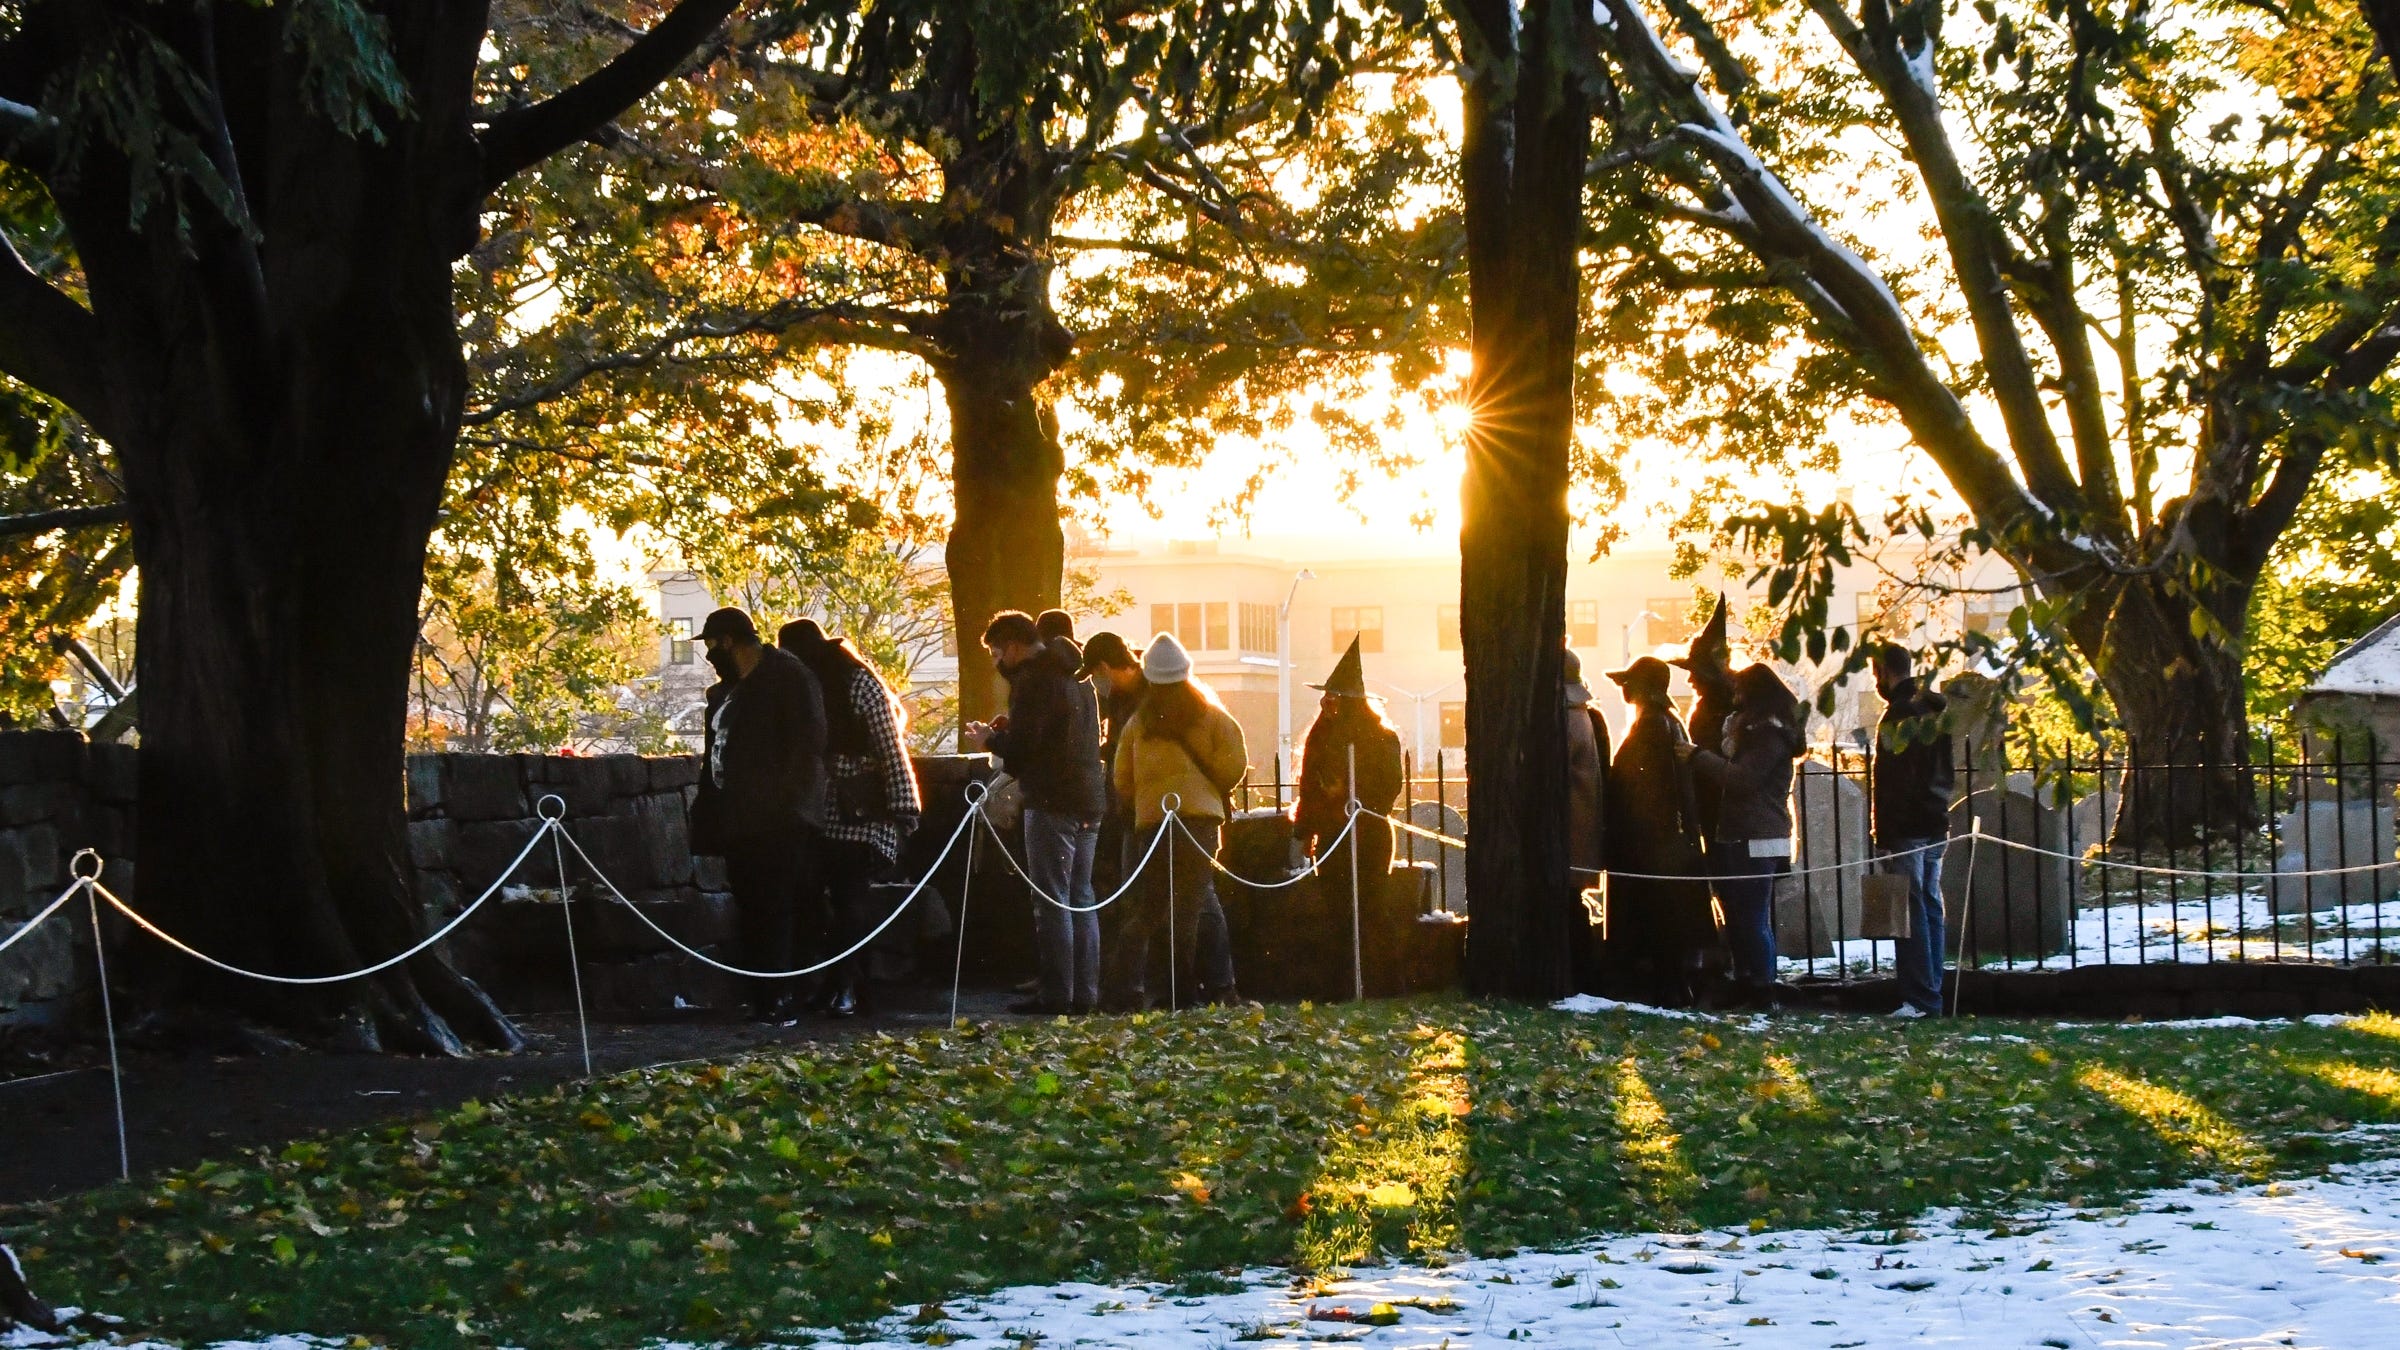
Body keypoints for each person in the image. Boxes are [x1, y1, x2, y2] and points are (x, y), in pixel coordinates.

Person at [689, 608, 828, 1022]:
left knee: (778, 904)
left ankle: (780, 995)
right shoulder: (729, 690)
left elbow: (809, 742)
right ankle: (761, 994)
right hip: (739, 818)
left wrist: (785, 801)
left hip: (780, 817)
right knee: (752, 904)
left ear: (728, 641)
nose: (709, 655)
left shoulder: (788, 675)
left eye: (712, 645)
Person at [778, 617, 921, 1018]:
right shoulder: (809, 685)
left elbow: (890, 747)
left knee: (849, 899)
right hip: (816, 811)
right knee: (818, 901)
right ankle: (837, 984)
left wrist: (904, 806)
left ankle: (846, 985)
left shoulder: (857, 683)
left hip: (856, 812)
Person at [965, 610, 1106, 1015]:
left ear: (1012, 647)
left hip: (1051, 800)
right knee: (1081, 896)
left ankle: (1057, 993)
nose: (996, 662)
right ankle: (1086, 992)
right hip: (1088, 797)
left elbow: (1023, 752)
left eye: (996, 653)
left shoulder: (1033, 680)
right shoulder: (1078, 677)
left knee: (1051, 898)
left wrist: (990, 739)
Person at [1104, 632, 1246, 1010]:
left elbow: (1122, 778)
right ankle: (1182, 992)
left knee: (1148, 908)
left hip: (1154, 822)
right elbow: (1234, 764)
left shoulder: (1138, 723)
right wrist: (1210, 790)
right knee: (1189, 908)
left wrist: (1144, 802)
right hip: (1200, 822)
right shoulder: (1213, 717)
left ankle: (1123, 988)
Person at [1686, 663, 1806, 1010]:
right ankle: (1748, 981)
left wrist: (1699, 757)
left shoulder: (1768, 734)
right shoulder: (1759, 731)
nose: (1734, 695)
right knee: (1741, 916)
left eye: (1739, 689)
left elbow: (1743, 780)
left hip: (1757, 837)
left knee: (1752, 918)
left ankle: (1763, 988)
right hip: (1743, 834)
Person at [1292, 637, 1405, 994]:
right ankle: (1343, 984)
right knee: (1339, 910)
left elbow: (1389, 786)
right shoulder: (1321, 738)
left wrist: (1354, 800)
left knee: (1371, 907)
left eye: (1334, 699)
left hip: (1368, 830)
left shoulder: (1381, 738)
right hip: (1333, 834)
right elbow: (1309, 787)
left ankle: (1383, 983)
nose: (1328, 706)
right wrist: (1304, 831)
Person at [1602, 655, 1716, 1006]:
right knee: (1668, 920)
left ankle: (1668, 989)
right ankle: (1673, 986)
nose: (1623, 690)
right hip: (1664, 842)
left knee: (1661, 920)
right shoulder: (1666, 721)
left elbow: (1646, 788)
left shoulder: (1651, 725)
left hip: (1652, 844)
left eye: (1629, 683)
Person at [1872, 643, 1954, 1018]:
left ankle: (1920, 998)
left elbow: (1894, 782)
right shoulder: (1934, 711)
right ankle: (1931, 991)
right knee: (1930, 905)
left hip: (1907, 826)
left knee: (1911, 911)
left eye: (1875, 673)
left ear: (1884, 671)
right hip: (1936, 819)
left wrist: (1884, 835)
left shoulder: (1899, 715)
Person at [1563, 648, 1611, 988]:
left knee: (1568, 903)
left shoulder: (1568, 719)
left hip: (1570, 825)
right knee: (1571, 900)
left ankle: (1581, 973)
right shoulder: (1584, 716)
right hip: (1581, 823)